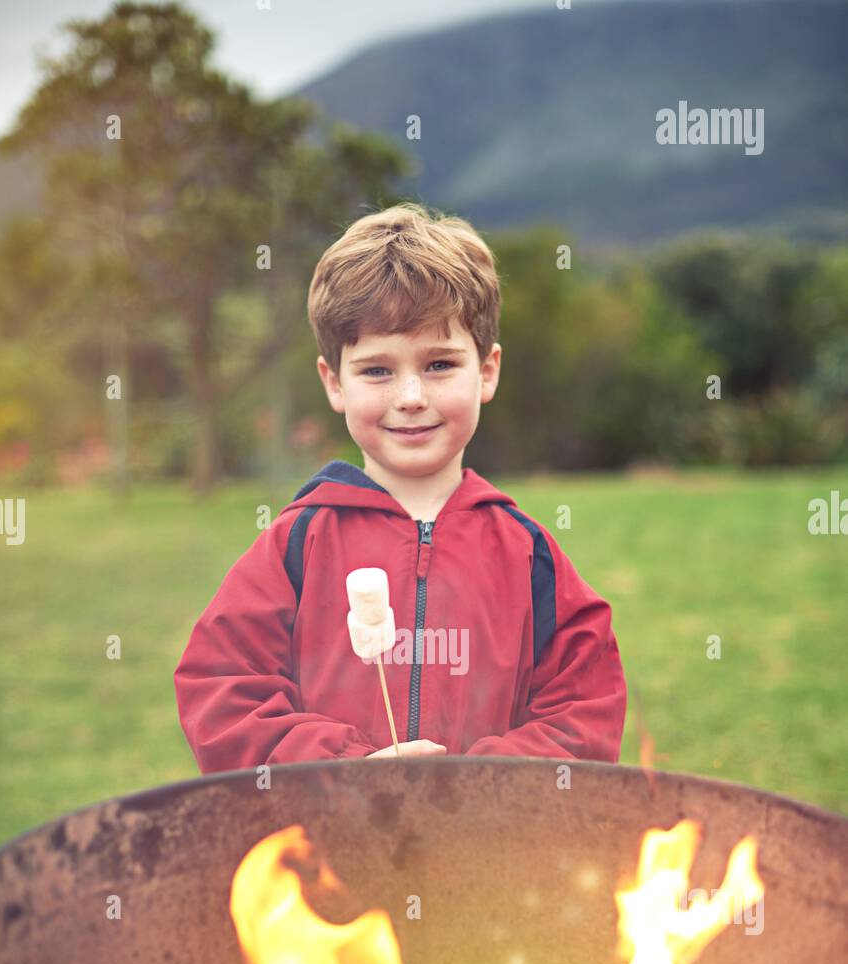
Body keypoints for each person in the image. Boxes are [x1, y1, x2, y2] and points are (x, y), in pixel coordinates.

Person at [174, 202, 627, 771]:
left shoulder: (528, 552)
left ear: (486, 371)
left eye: (439, 365)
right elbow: (221, 689)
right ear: (333, 382)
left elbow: (585, 708)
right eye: (377, 370)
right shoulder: (298, 543)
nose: (410, 397)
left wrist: (475, 779)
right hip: (327, 847)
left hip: (487, 846)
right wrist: (345, 766)